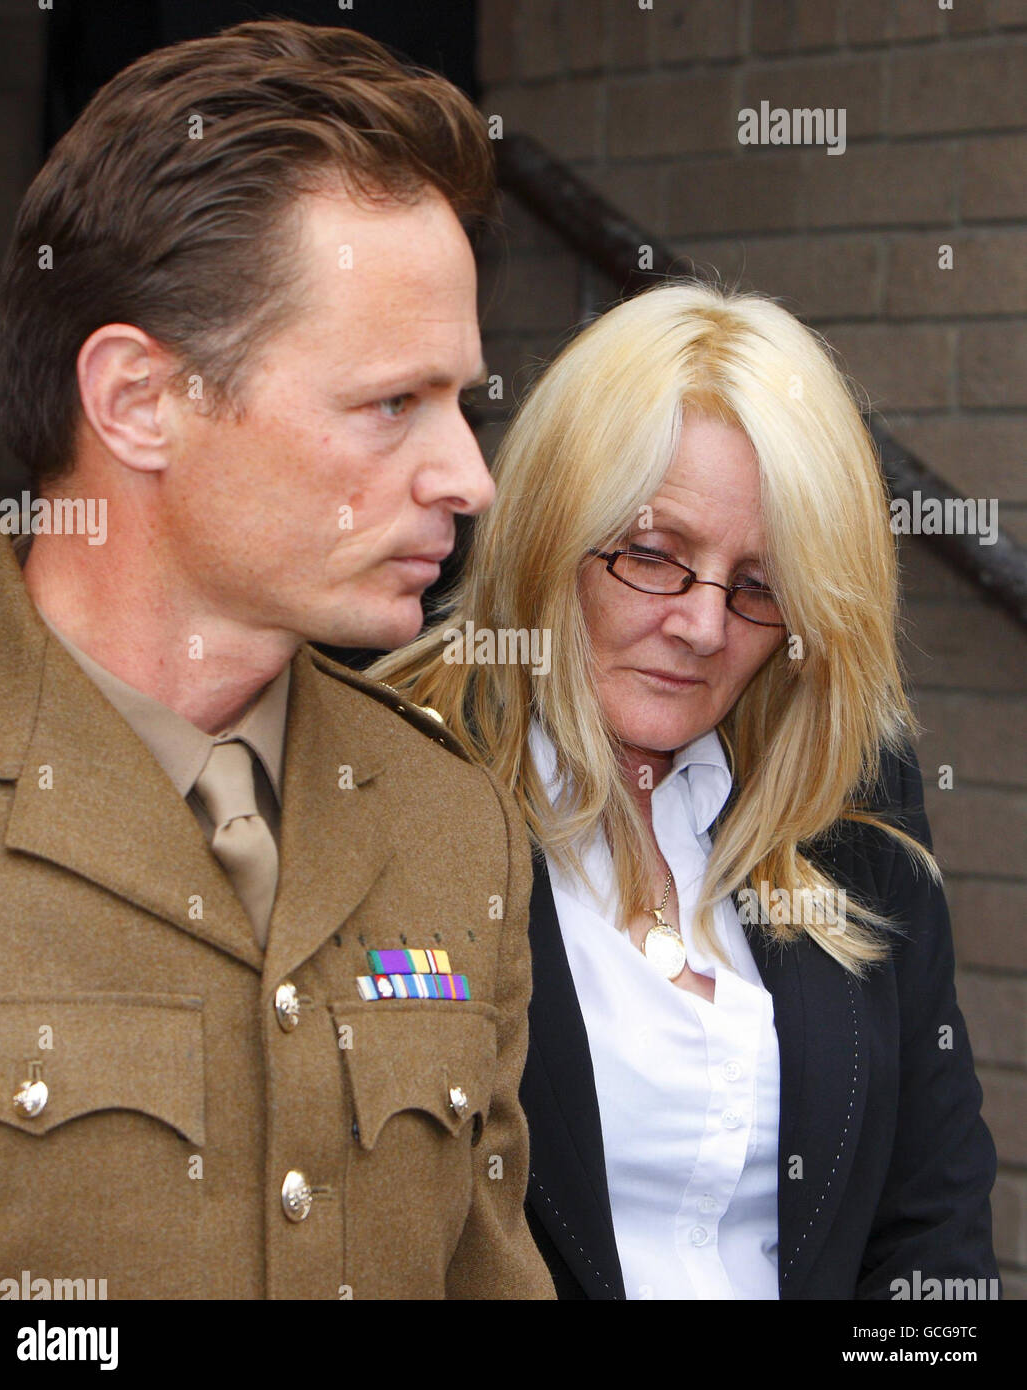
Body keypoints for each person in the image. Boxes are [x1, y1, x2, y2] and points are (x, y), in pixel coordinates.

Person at [0, 20, 554, 1301]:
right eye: (391, 403)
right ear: (137, 400)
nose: (468, 477)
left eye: (462, 403)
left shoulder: (457, 827)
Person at [370, 281, 1000, 1300]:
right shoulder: (392, 774)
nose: (704, 626)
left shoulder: (849, 795)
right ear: (548, 532)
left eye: (758, 584)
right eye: (654, 556)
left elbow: (929, 1215)